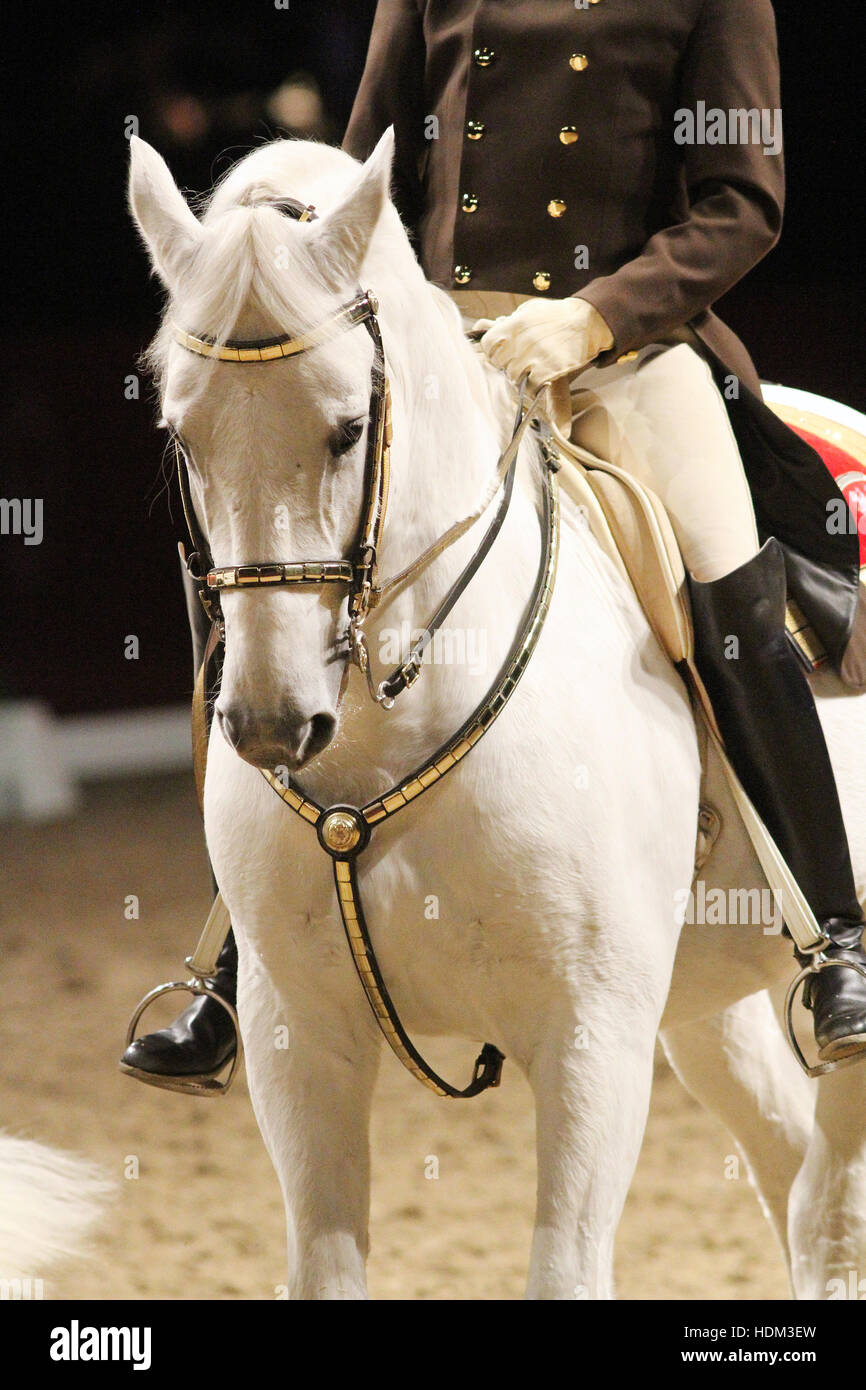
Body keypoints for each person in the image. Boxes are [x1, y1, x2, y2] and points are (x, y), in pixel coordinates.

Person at [121, 0, 866, 1087]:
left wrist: (593, 315)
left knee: (722, 582)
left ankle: (829, 941)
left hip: (626, 351)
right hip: (439, 349)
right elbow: (363, 171)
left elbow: (740, 202)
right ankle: (237, 955)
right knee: (271, 556)